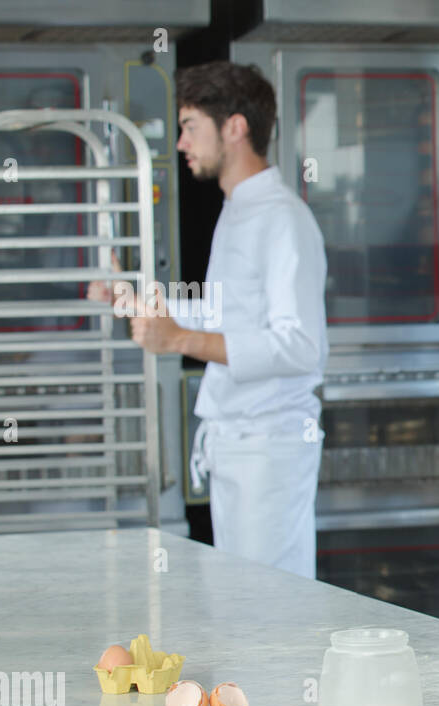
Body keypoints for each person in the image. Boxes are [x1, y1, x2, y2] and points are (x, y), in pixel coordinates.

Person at [90, 62, 328, 578]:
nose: (180, 143)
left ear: (235, 127)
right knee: (242, 605)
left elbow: (299, 347)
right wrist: (135, 300)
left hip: (269, 448)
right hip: (237, 444)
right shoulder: (238, 210)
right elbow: (224, 312)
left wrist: (178, 338)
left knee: (269, 610)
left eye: (190, 126)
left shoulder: (283, 219)